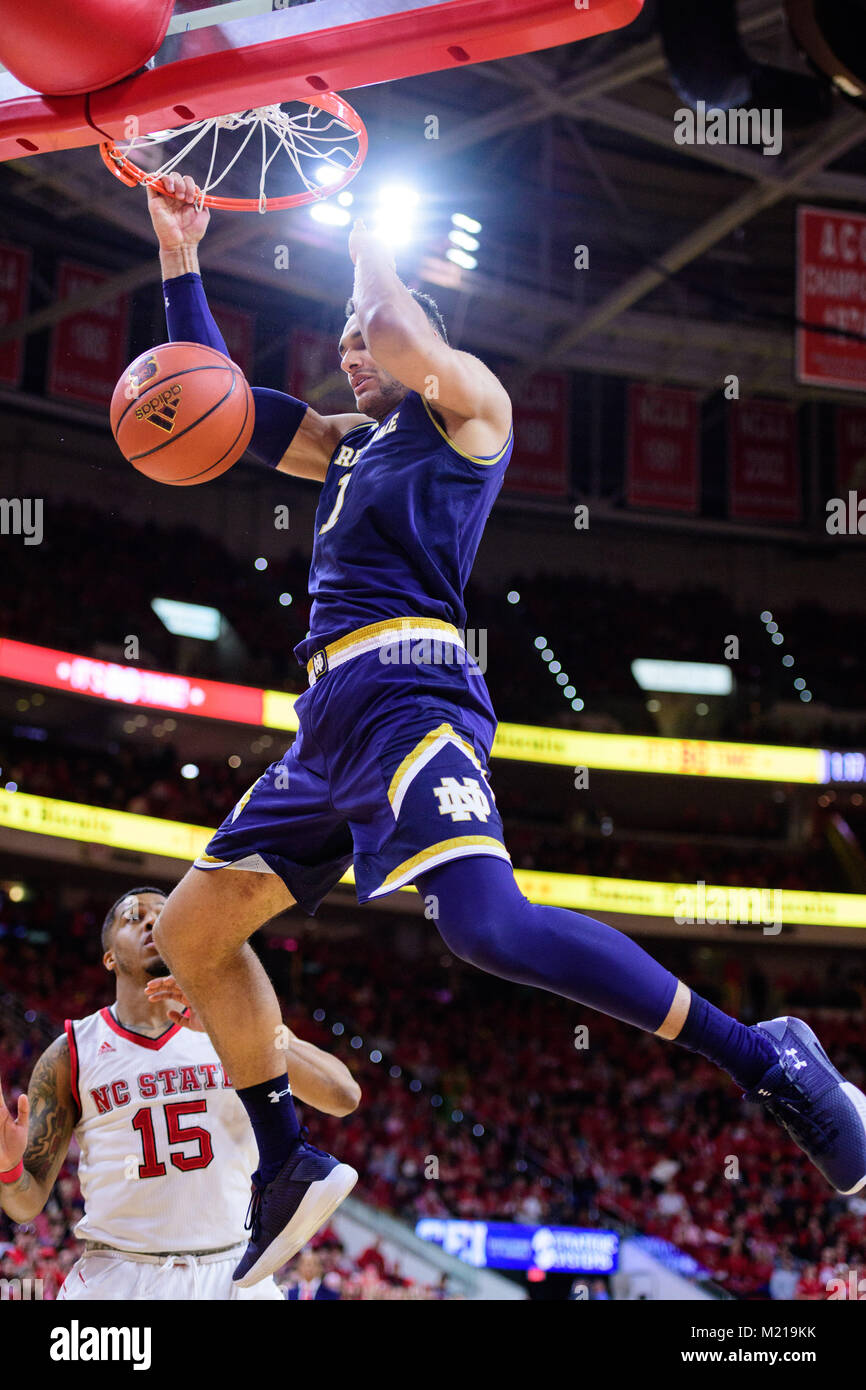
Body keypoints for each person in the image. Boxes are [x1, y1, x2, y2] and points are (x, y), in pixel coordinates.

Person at [143, 172, 866, 1289]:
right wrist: (178, 255)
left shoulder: (470, 411)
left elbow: (390, 323)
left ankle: (764, 1057)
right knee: (189, 936)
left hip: (409, 694)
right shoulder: (345, 447)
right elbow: (214, 408)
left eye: (356, 330)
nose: (345, 347)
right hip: (324, 724)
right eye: (335, 335)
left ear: (420, 335)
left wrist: (366, 234)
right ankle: (283, 1158)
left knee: (483, 927)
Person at [0, 886, 360, 1300]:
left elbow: (343, 1095)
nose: (153, 921)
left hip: (234, 1272)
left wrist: (239, 1029)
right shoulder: (70, 1051)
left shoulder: (235, 1023)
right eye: (134, 917)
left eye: (166, 914)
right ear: (109, 957)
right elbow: (24, 1205)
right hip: (120, 1275)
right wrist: (9, 1169)